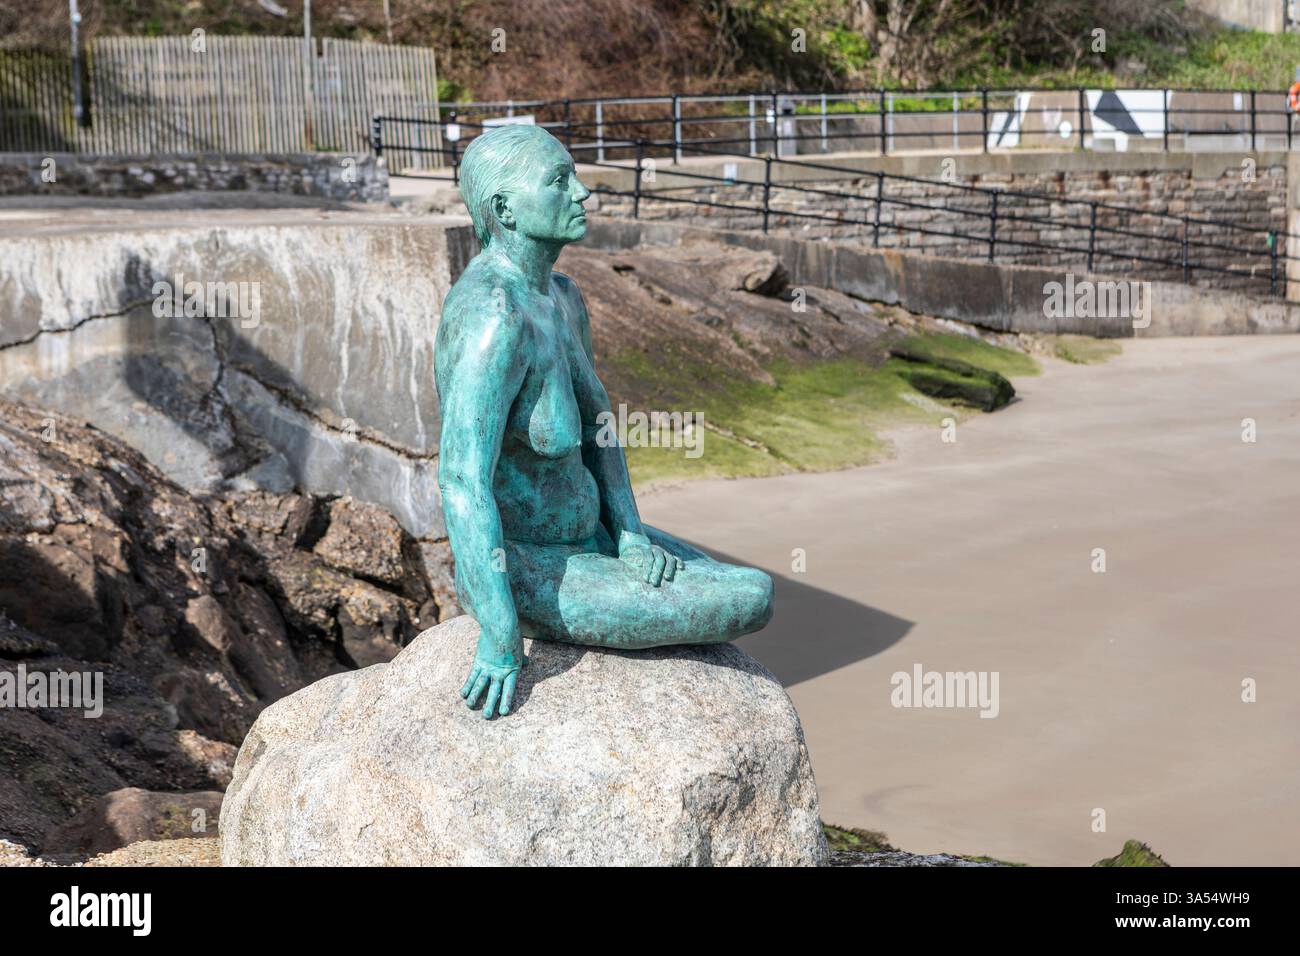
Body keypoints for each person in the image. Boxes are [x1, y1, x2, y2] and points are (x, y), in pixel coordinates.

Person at [435, 125, 774, 719]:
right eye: (559, 181)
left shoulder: (562, 297)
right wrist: (499, 633)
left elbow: (599, 434)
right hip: (528, 563)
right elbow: (462, 480)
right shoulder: (494, 315)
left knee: (747, 584)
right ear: (504, 209)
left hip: (594, 537)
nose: (583, 192)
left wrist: (632, 536)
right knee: (748, 599)